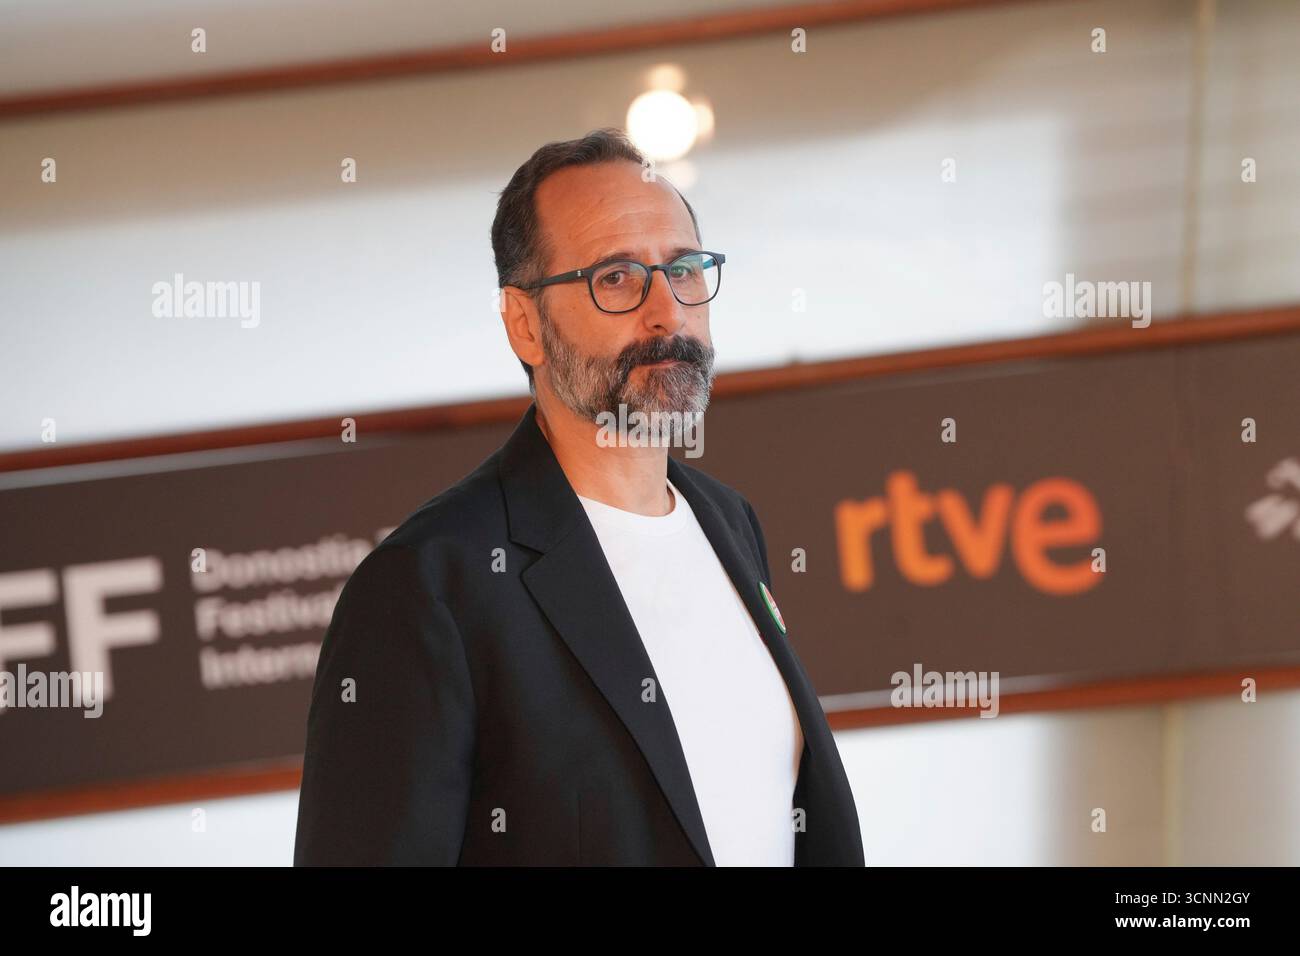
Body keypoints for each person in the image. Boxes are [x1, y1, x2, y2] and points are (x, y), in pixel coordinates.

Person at [293, 128, 864, 866]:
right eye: (617, 277)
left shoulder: (729, 522)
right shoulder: (428, 586)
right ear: (525, 325)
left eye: (685, 269)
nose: (669, 313)